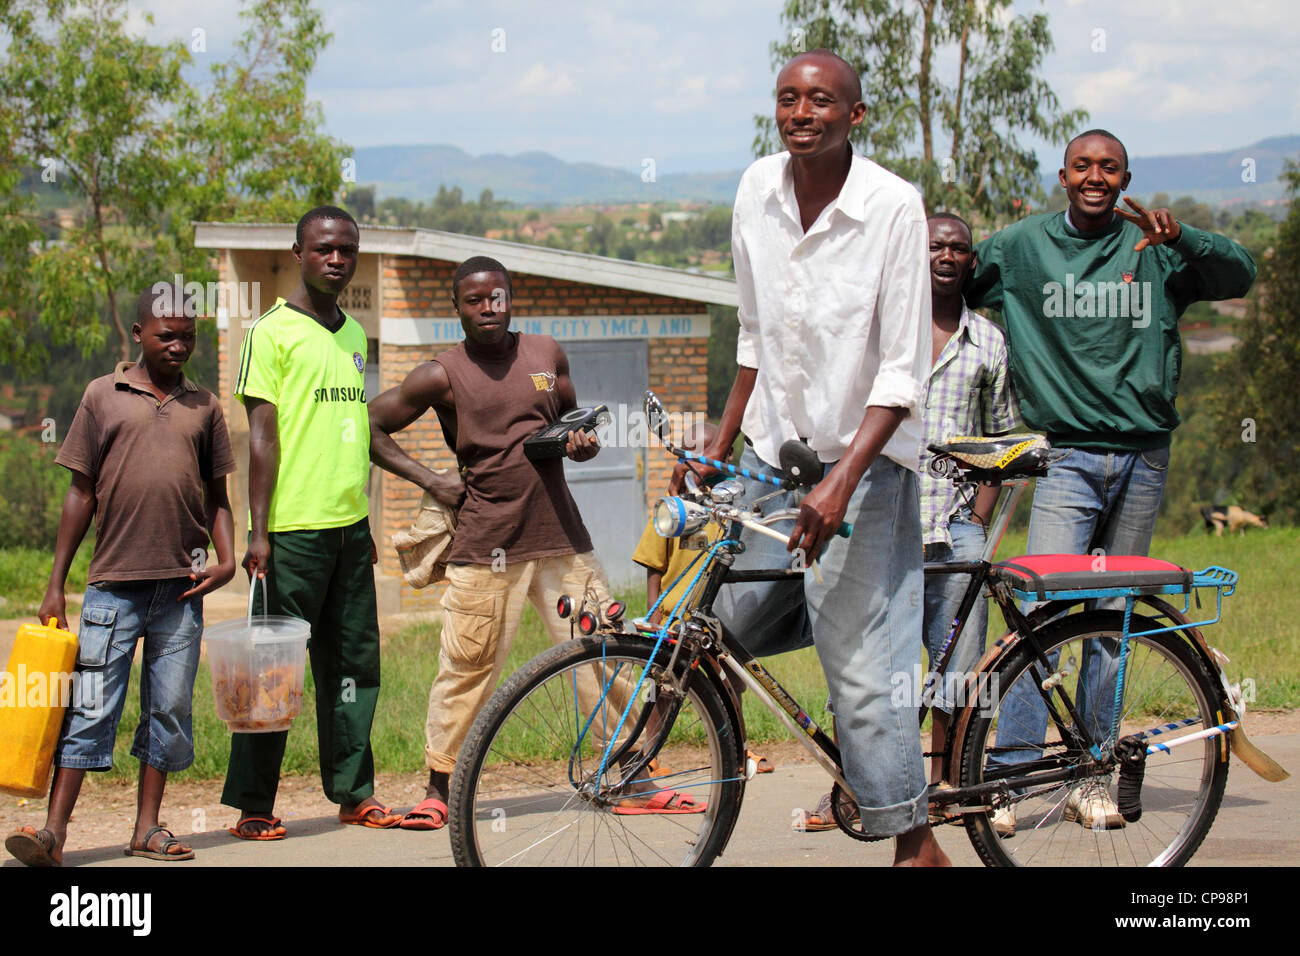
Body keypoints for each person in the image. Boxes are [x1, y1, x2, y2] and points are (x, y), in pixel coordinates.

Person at [964, 129, 1257, 834]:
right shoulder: (1022, 247)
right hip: (1065, 457)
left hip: (1143, 457)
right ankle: (1008, 776)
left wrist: (1183, 233)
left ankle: (1091, 773)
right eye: (1083, 166)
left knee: (1115, 620)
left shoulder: (1155, 248)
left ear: (1127, 179)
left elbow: (1239, 276)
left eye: (1110, 168)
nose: (1096, 177)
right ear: (1063, 176)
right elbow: (954, 289)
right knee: (1044, 620)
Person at [698, 49, 946, 865]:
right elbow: (757, 333)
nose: (802, 112)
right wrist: (721, 438)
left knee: (863, 675)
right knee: (726, 618)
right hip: (778, 454)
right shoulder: (755, 191)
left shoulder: (893, 209)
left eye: (822, 101)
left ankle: (916, 842)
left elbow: (903, 371)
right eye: (788, 99)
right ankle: (866, 610)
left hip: (864, 462)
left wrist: (843, 482)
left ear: (855, 115)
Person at [369, 256, 696, 829]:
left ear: (510, 299)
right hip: (484, 542)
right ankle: (439, 789)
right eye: (475, 300)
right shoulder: (439, 374)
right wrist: (432, 479)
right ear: (458, 308)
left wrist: (583, 444)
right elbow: (369, 426)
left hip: (561, 538)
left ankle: (634, 774)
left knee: (604, 654)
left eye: (497, 297)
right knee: (467, 665)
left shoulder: (546, 354)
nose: (488, 307)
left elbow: (573, 423)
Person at [4, 287, 236, 866]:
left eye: (188, 336)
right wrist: (57, 583)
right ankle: (54, 834)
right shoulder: (102, 397)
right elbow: (79, 493)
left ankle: (147, 828)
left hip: (182, 589)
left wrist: (227, 558)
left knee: (169, 709)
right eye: (166, 335)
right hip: (112, 586)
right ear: (138, 334)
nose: (178, 345)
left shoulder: (204, 406)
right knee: (90, 707)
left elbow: (218, 496)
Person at [222, 206, 402, 839]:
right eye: (325, 249)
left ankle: (354, 793)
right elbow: (262, 437)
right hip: (290, 534)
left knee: (353, 666)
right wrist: (258, 531)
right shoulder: (269, 332)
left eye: (348, 250)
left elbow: (349, 436)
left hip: (349, 531)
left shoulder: (352, 336)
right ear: (297, 251)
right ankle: (253, 805)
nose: (337, 259)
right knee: (271, 667)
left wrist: (364, 523)